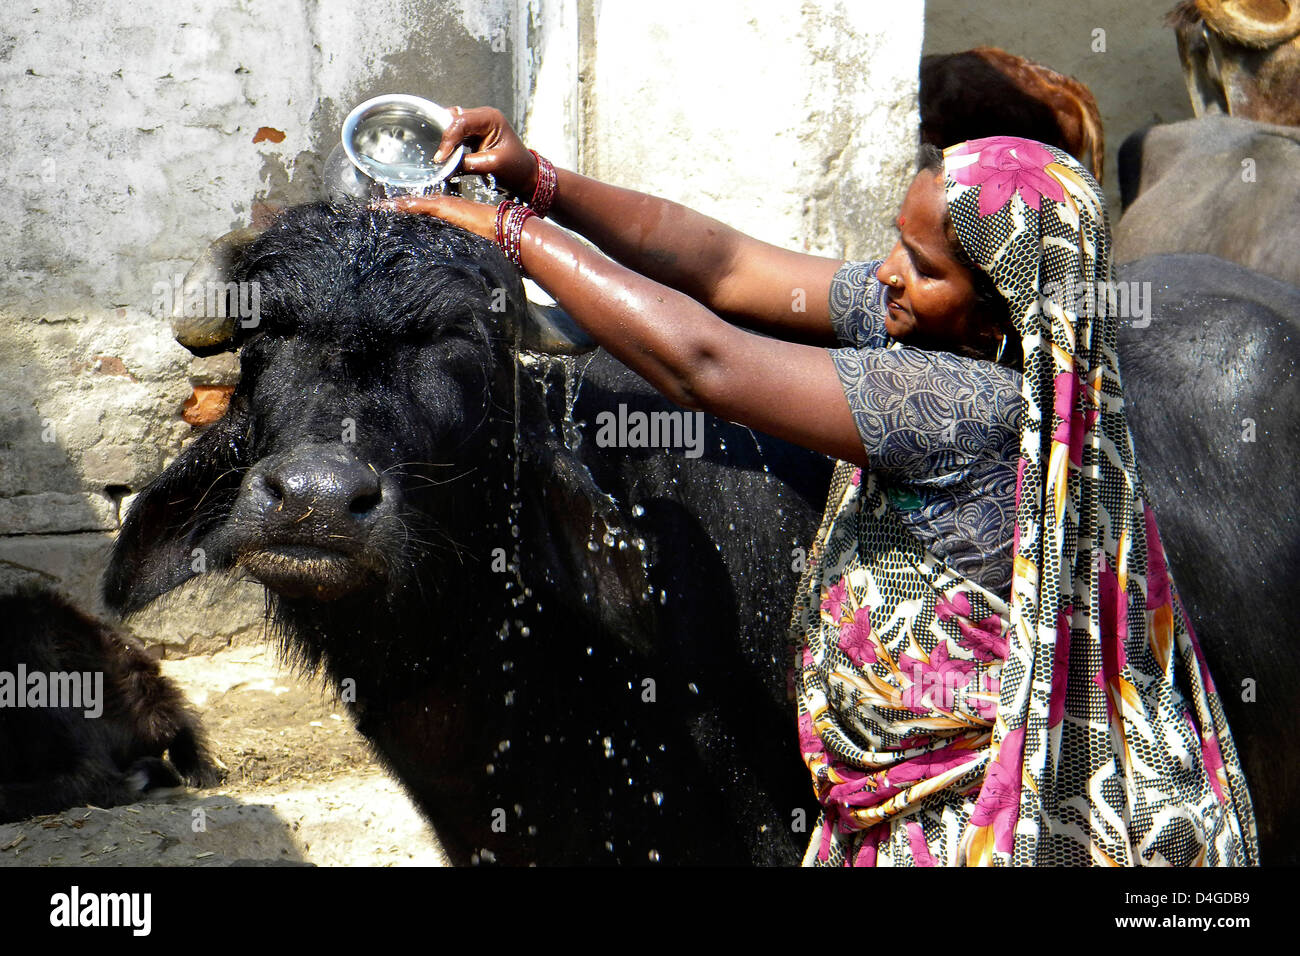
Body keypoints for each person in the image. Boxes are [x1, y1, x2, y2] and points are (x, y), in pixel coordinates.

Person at [386, 107, 1259, 866]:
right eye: (897, 241)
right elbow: (725, 265)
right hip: (889, 801)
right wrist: (538, 178)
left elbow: (705, 362)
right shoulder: (930, 333)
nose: (885, 272)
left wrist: (509, 237)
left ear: (998, 315)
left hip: (963, 827)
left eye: (921, 265)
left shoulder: (964, 406)